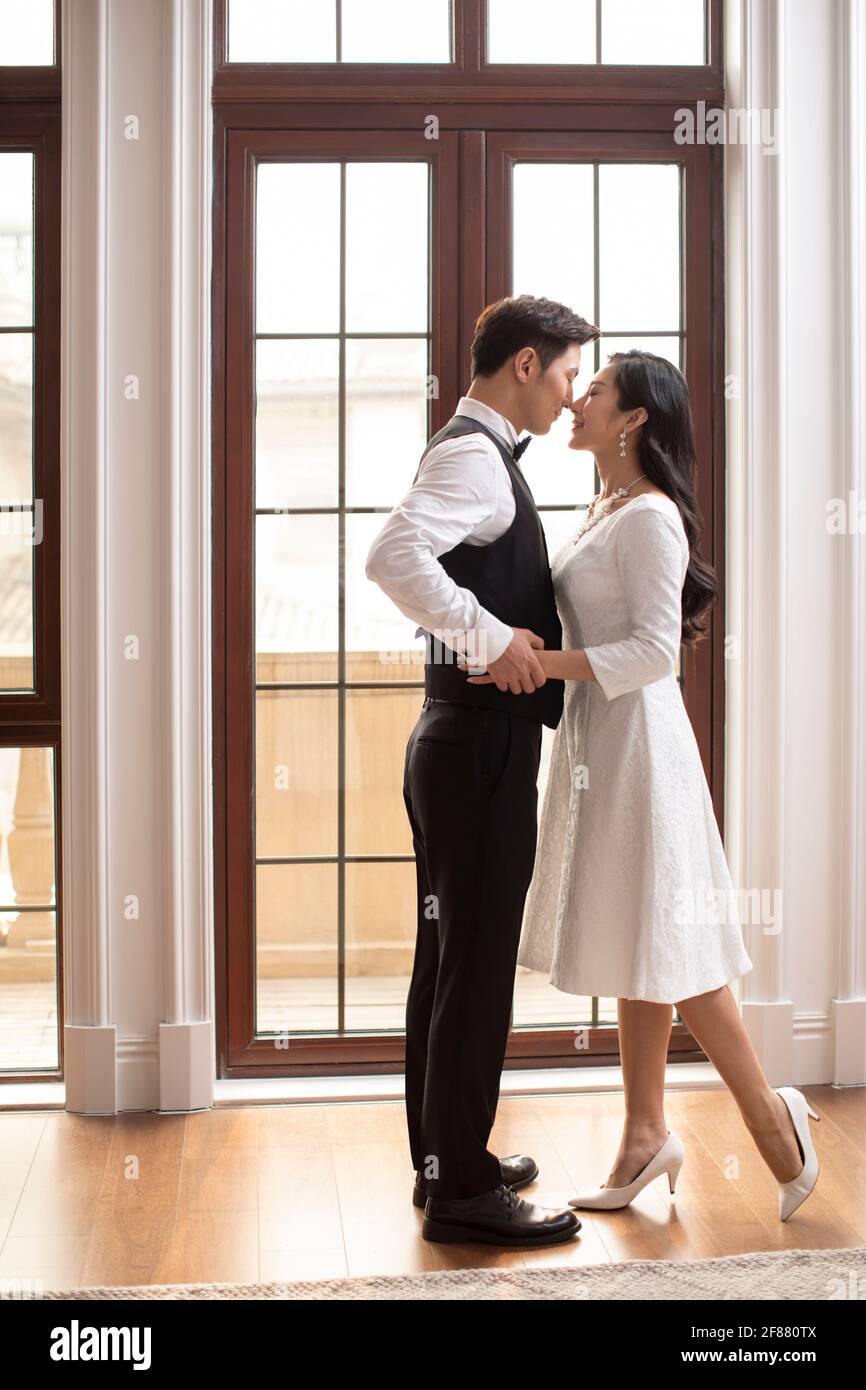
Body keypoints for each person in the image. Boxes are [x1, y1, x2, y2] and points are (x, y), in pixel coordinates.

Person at [463, 350, 821, 1222]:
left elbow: (658, 652)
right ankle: (643, 1132)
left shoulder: (653, 516)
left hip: (642, 749)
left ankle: (774, 1126)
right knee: (638, 936)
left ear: (634, 420)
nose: (576, 399)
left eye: (597, 391)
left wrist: (538, 662)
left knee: (675, 944)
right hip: (600, 741)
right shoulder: (602, 507)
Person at [365, 295, 599, 1246]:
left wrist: (480, 634)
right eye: (568, 376)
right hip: (478, 747)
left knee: (450, 961)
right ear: (526, 364)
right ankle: (463, 1188)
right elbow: (390, 555)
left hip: (453, 741)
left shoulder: (473, 452)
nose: (571, 394)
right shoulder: (475, 457)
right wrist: (493, 634)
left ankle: (445, 1161)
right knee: (475, 966)